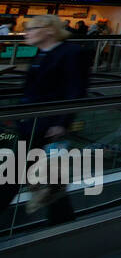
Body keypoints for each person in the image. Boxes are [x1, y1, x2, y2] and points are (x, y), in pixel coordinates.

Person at [0, 14, 89, 225]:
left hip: (46, 124)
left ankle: (62, 220)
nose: (26, 32)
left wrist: (62, 122)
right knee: (43, 174)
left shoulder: (72, 53)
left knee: (14, 172)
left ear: (49, 30)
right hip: (31, 121)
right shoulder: (42, 53)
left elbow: (76, 90)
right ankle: (63, 220)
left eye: (31, 28)